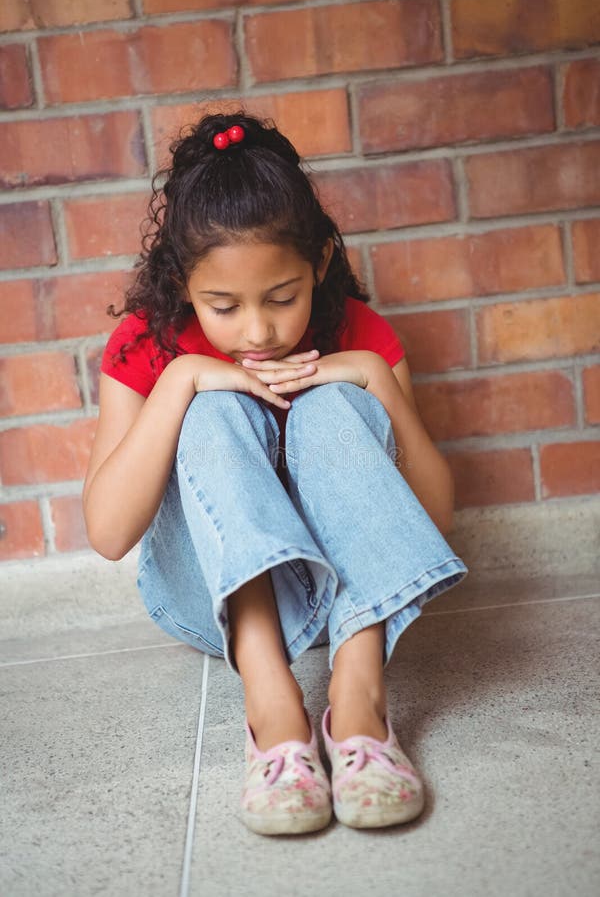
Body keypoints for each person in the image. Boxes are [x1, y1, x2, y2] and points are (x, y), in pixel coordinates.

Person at [83, 112, 468, 837]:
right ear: (181, 280)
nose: (258, 331)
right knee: (211, 408)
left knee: (331, 404)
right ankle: (274, 712)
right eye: (223, 306)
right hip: (216, 602)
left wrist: (370, 377)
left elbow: (435, 518)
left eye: (282, 298)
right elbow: (107, 533)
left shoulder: (356, 329)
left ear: (320, 263)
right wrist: (187, 379)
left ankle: (359, 710)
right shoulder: (147, 343)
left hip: (351, 601)